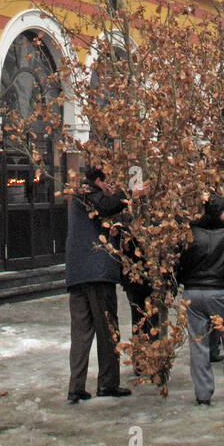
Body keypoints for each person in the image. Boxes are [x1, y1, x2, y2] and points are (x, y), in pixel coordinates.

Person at [65, 166, 131, 403]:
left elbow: (98, 217)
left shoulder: (80, 197)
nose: (109, 189)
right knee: (107, 330)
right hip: (97, 273)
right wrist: (130, 193)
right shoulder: (88, 193)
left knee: (81, 333)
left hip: (78, 274)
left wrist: (110, 231)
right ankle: (108, 383)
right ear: (98, 181)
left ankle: (76, 387)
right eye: (107, 184)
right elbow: (106, 205)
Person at [177, 193, 224, 404]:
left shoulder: (191, 233)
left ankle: (203, 393)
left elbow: (180, 260)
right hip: (217, 291)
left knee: (198, 342)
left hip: (192, 292)